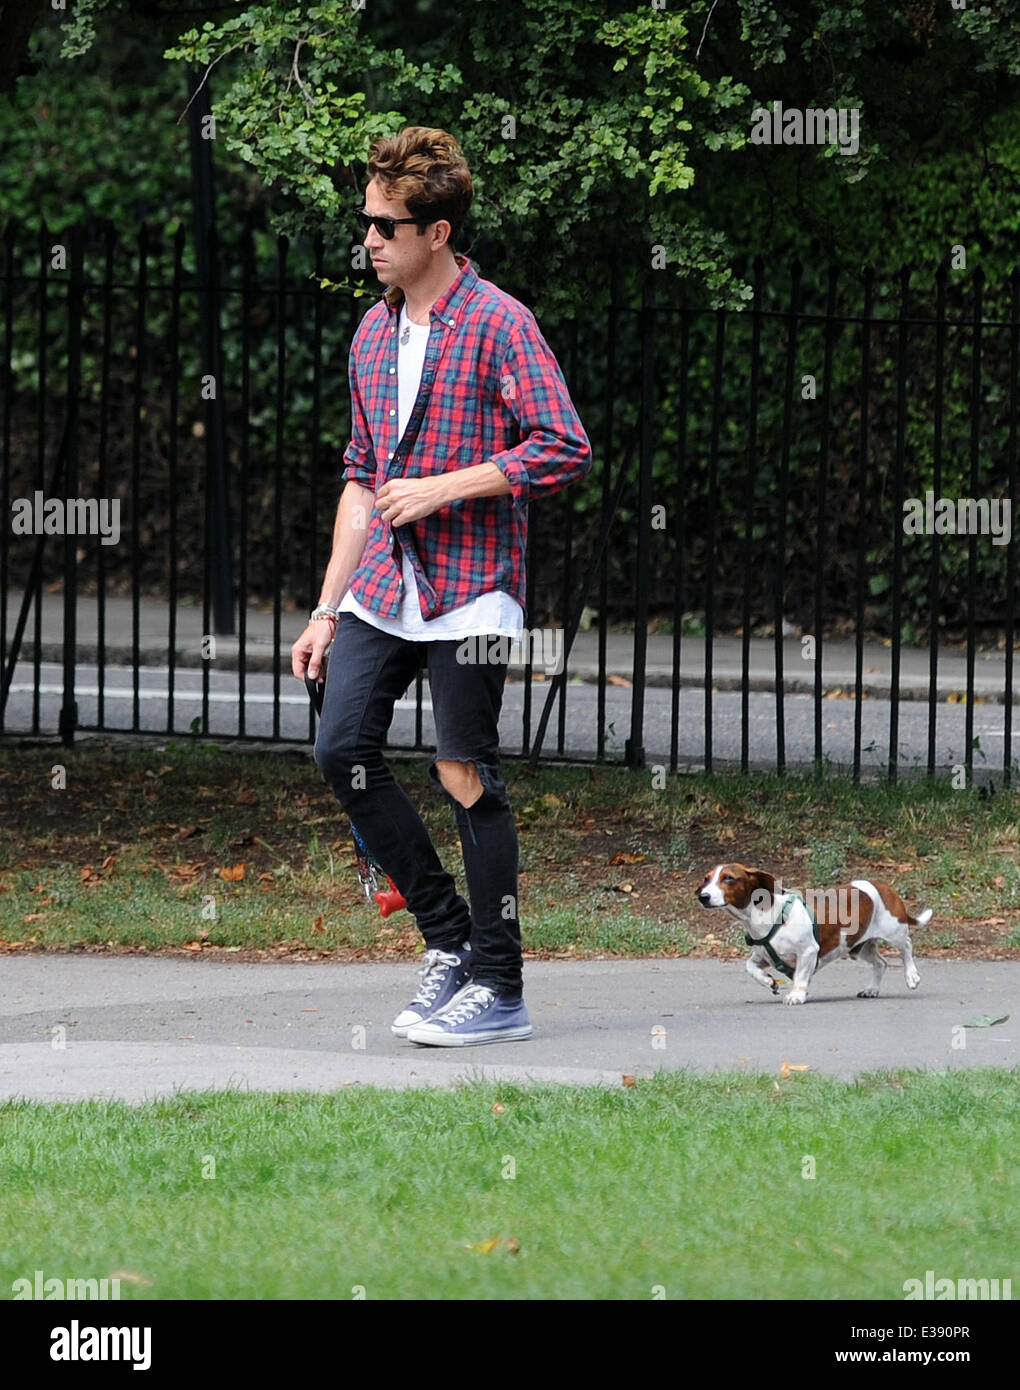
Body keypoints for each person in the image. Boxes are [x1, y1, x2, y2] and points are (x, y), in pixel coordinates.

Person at [291, 126, 591, 1045]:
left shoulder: (501, 322)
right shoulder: (372, 331)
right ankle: (450, 942)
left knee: (463, 771)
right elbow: (359, 472)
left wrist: (445, 487)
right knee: (339, 750)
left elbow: (562, 445)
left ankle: (501, 989)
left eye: (388, 224)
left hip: (475, 587)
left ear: (439, 232)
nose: (371, 239)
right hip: (383, 582)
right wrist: (327, 606)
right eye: (367, 220)